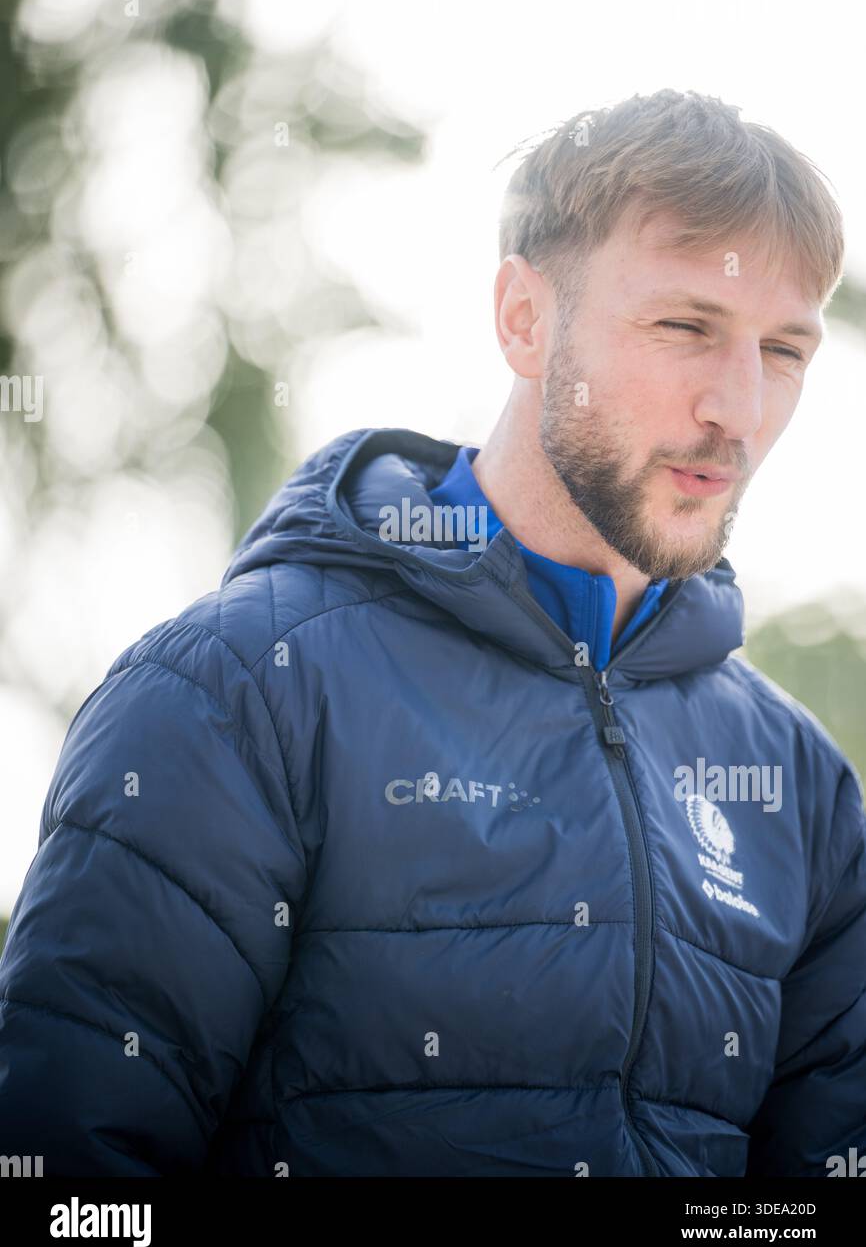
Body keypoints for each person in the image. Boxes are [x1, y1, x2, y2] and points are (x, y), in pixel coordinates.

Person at [1, 89, 864, 1177]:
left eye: (783, 350)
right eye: (684, 326)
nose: (736, 408)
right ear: (523, 319)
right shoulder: (237, 690)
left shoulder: (798, 784)